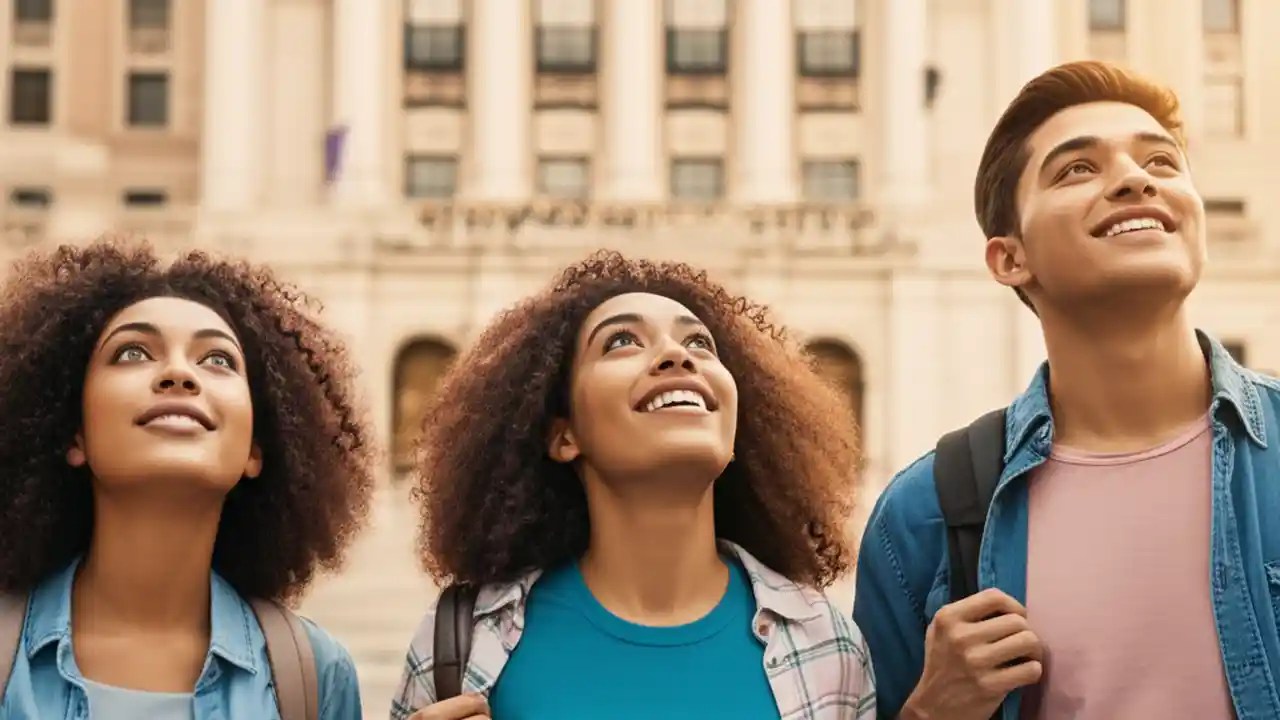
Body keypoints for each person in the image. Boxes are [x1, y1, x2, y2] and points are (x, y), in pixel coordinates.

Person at [854, 58, 1280, 720]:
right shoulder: (921, 518)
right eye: (1078, 168)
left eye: (1162, 164)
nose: (1136, 179)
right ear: (1009, 257)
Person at [391, 251, 875, 719]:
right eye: (621, 341)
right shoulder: (460, 639)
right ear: (564, 434)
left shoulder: (829, 644)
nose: (676, 356)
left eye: (700, 344)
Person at [0, 240, 375, 718]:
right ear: (75, 434)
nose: (179, 373)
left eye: (218, 360)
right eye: (133, 352)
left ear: (256, 450)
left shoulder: (315, 677)